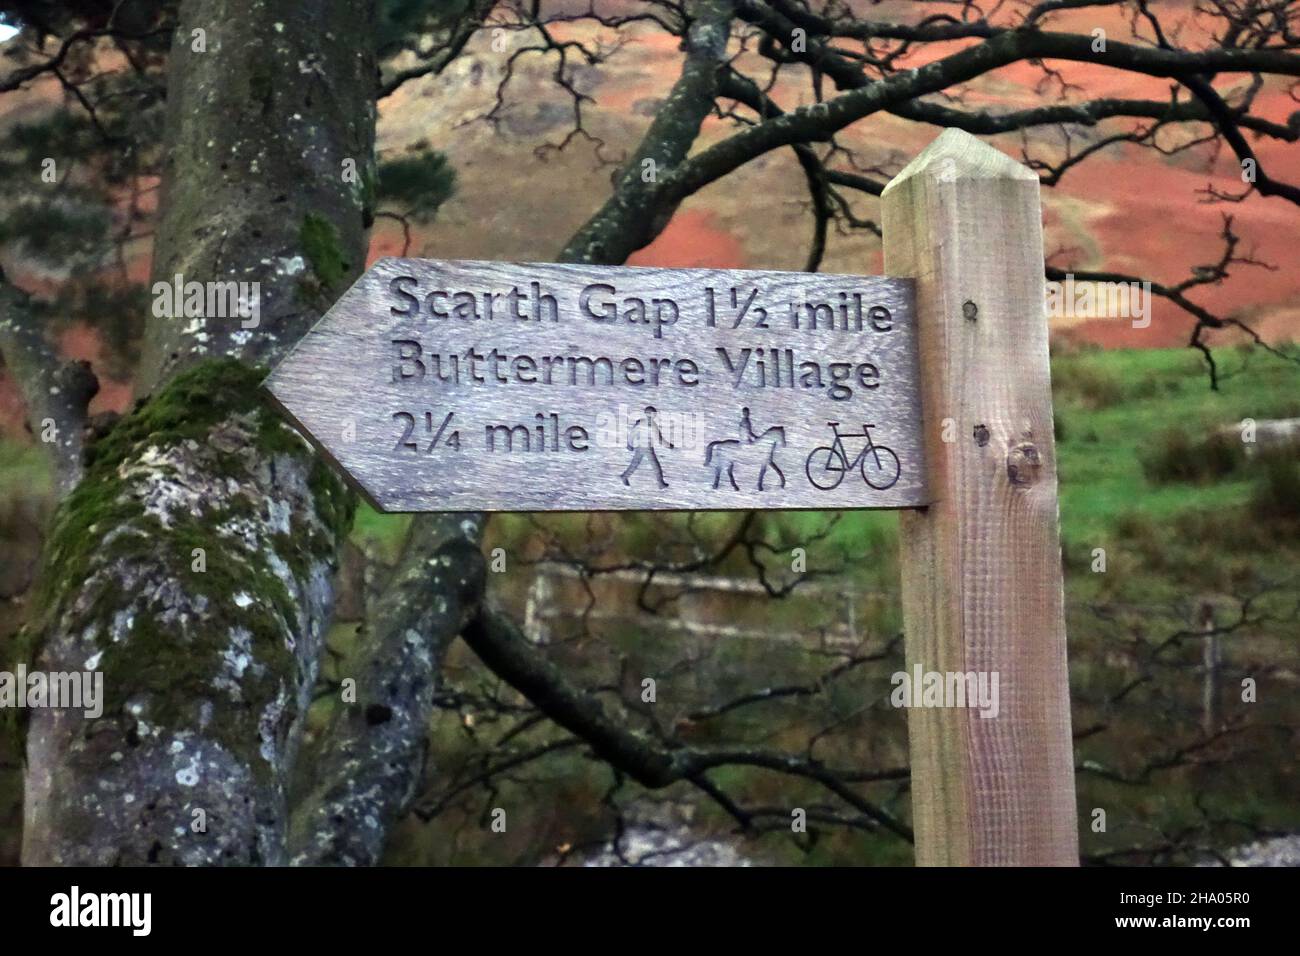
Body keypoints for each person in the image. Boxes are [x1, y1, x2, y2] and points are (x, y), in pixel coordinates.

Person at [621, 405, 673, 488]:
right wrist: (668, 446)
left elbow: (632, 434)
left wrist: (629, 444)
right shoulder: (652, 425)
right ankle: (660, 483)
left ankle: (624, 476)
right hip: (647, 448)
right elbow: (659, 439)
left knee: (635, 463)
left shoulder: (640, 423)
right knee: (655, 465)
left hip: (640, 446)